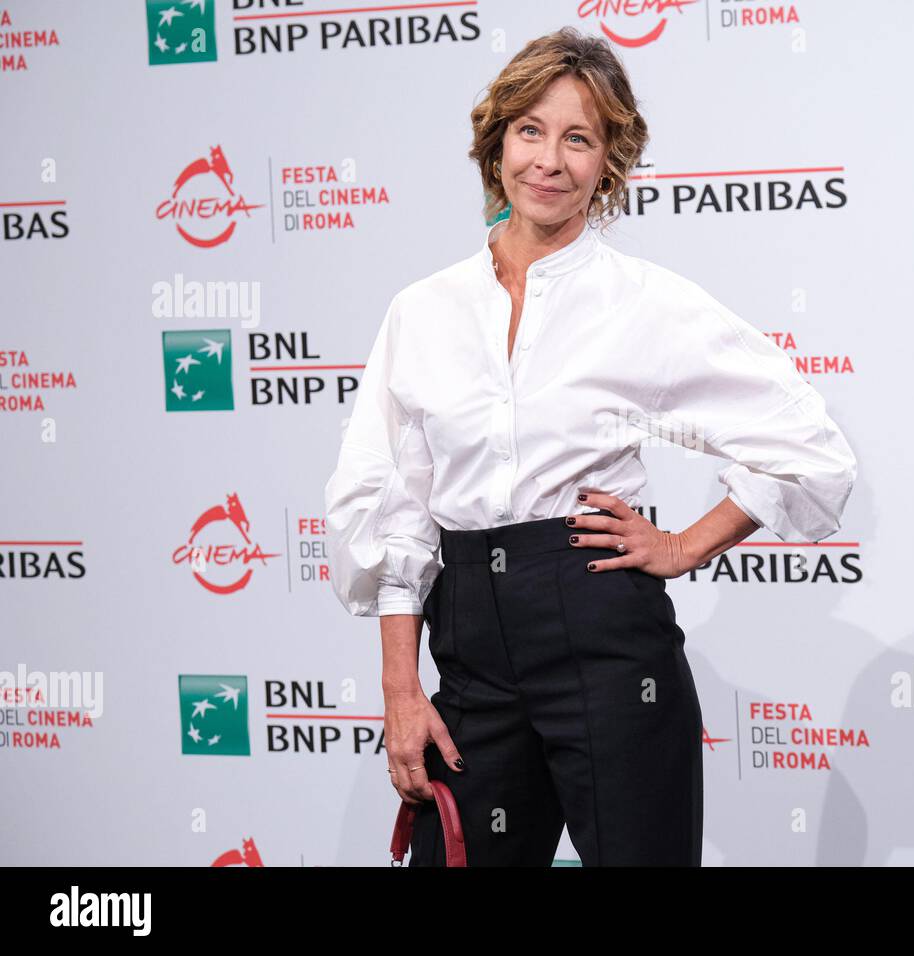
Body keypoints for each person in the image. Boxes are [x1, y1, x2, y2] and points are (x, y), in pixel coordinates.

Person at [323, 26, 857, 867]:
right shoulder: (422, 312)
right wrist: (400, 687)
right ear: (495, 141)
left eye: (579, 138)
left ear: (608, 162)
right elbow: (395, 510)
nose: (549, 159)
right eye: (530, 129)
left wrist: (682, 544)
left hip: (605, 639)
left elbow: (808, 445)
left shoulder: (640, 303)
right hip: (468, 652)